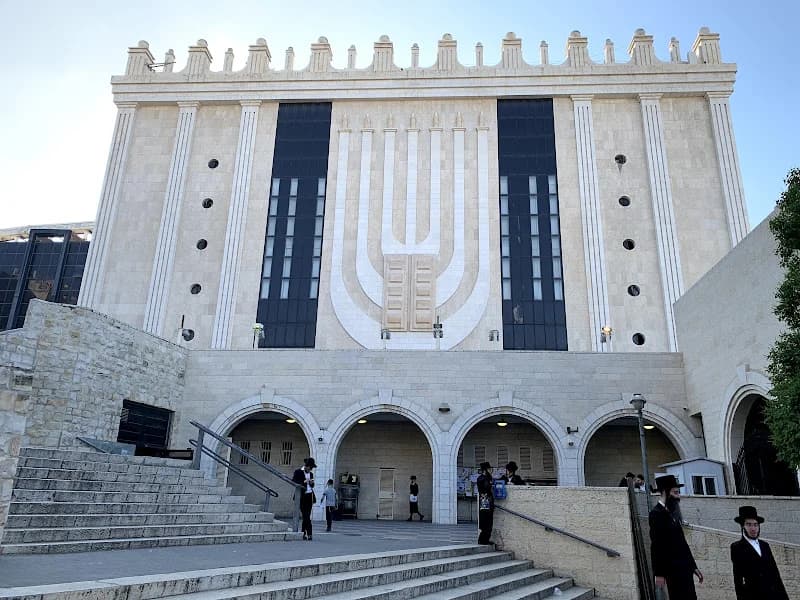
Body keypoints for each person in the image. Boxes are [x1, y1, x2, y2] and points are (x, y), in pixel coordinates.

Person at [649, 474, 703, 599]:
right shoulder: (656, 514)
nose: (678, 496)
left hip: (685, 568)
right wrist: (659, 574)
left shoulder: (673, 512)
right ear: (664, 492)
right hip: (672, 570)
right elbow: (657, 546)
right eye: (675, 492)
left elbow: (682, 543)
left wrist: (693, 566)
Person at [730, 506, 789, 600]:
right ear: (742, 526)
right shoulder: (737, 547)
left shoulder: (765, 545)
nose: (753, 528)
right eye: (749, 524)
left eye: (755, 525)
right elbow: (738, 580)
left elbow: (775, 574)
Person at [292, 457, 316, 540]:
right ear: (306, 466)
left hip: (309, 496)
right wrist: (304, 482)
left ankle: (303, 533)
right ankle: (309, 533)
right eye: (310, 468)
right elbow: (294, 481)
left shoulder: (311, 474)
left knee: (307, 515)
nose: (310, 470)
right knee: (305, 515)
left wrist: (311, 483)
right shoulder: (298, 472)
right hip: (301, 496)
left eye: (311, 468)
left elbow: (312, 486)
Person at [476, 461, 494, 544]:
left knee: (485, 521)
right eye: (489, 469)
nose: (490, 470)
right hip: (486, 501)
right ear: (485, 470)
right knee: (487, 522)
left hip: (483, 501)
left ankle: (482, 539)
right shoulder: (485, 479)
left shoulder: (481, 478)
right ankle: (484, 540)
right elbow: (486, 489)